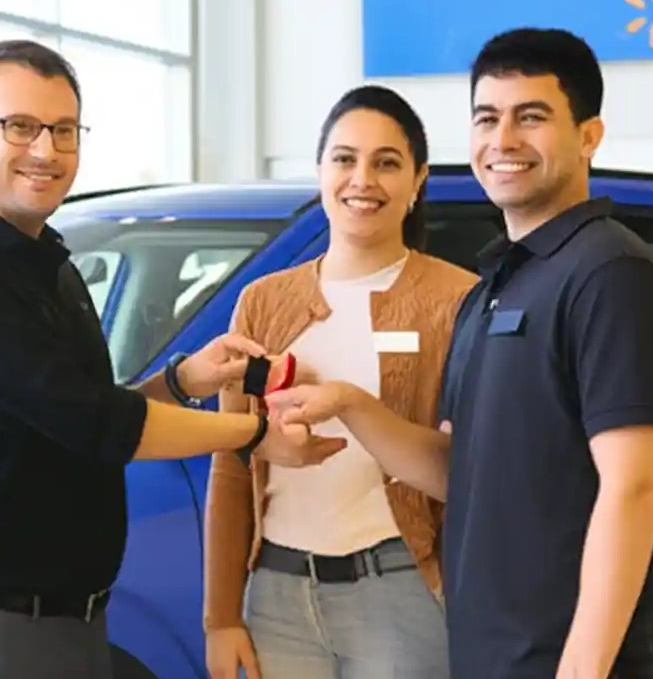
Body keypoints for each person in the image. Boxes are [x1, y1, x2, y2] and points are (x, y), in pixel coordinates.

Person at [0, 39, 346, 679]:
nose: (45, 150)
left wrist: (182, 381)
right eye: (20, 127)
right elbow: (91, 422)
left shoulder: (52, 268)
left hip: (70, 622)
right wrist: (256, 433)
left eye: (64, 130)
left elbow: (76, 418)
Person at [268, 28, 653, 678]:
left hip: (564, 660)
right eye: (487, 118)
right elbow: (454, 468)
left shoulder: (609, 273)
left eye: (532, 117)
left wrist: (583, 666)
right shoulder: (494, 286)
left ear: (589, 135)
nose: (504, 140)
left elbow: (634, 484)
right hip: (488, 653)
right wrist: (351, 405)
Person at [202, 85, 478, 679]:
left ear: (417, 179)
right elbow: (230, 463)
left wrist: (355, 407)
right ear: (321, 169)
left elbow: (471, 471)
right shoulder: (263, 302)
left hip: (402, 592)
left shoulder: (457, 301)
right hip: (276, 597)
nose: (363, 179)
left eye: (387, 163)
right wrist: (220, 617)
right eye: (345, 159)